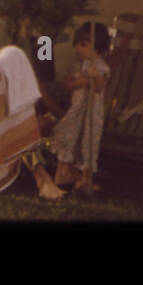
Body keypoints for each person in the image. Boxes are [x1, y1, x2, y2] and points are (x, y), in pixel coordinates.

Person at [53, 22, 112, 195]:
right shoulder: (78, 66)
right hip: (77, 110)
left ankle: (86, 178)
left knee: (88, 142)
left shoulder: (100, 66)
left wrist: (94, 79)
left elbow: (99, 87)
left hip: (91, 113)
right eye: (77, 44)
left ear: (98, 48)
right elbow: (67, 84)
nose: (78, 49)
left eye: (84, 45)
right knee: (69, 137)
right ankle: (65, 172)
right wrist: (80, 82)